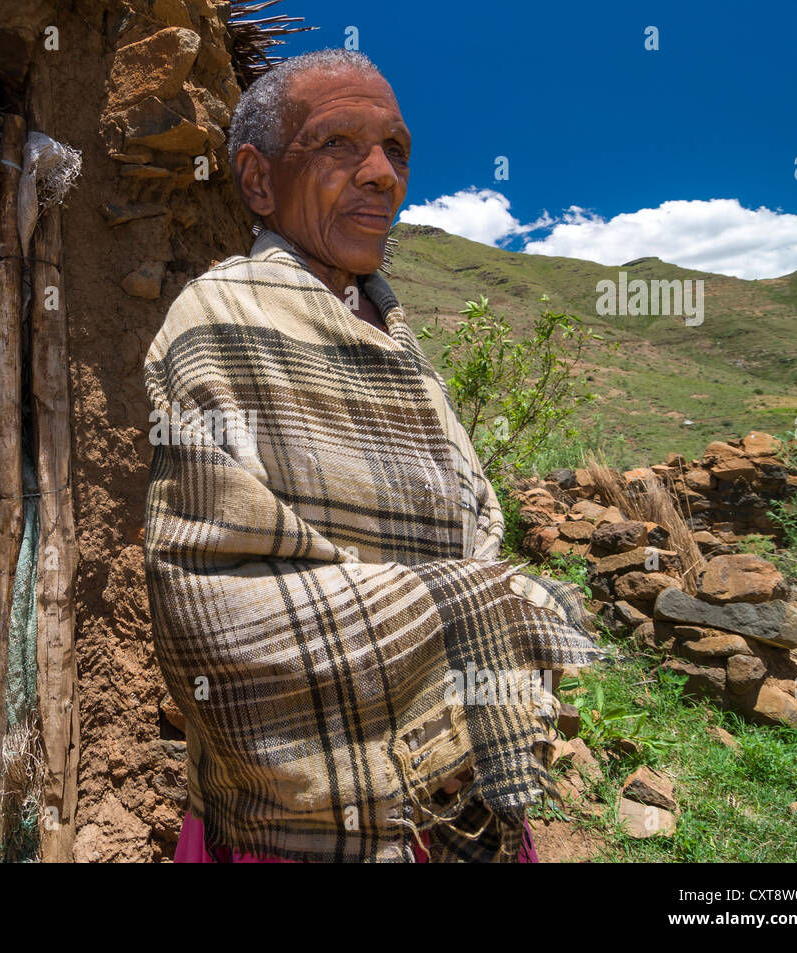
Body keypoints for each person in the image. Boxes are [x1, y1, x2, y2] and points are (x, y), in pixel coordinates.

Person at [142, 49, 603, 863]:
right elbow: (213, 606)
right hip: (301, 828)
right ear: (256, 181)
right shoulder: (216, 325)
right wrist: (491, 611)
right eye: (338, 144)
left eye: (397, 148)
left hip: (465, 809)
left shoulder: (401, 349)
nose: (383, 173)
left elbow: (471, 533)